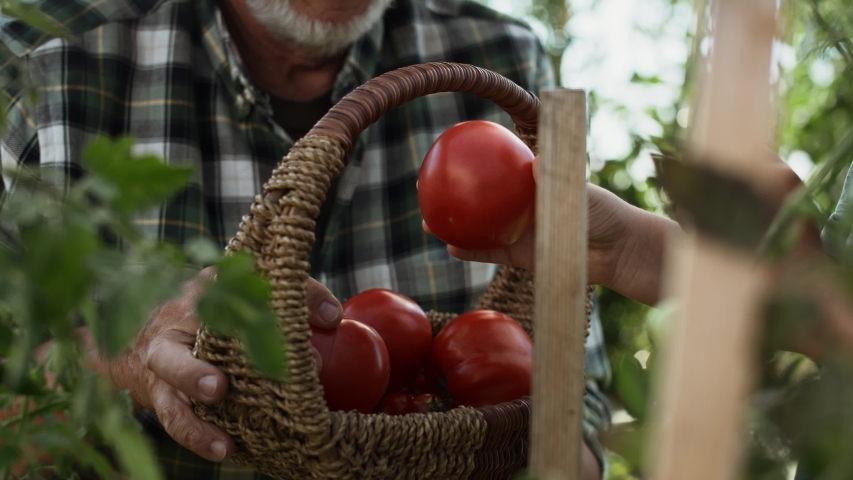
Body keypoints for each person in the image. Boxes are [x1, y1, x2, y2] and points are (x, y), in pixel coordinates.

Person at [0, 0, 610, 478]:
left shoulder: (502, 57)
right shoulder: (44, 60)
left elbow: (573, 416)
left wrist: (521, 441)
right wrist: (120, 357)